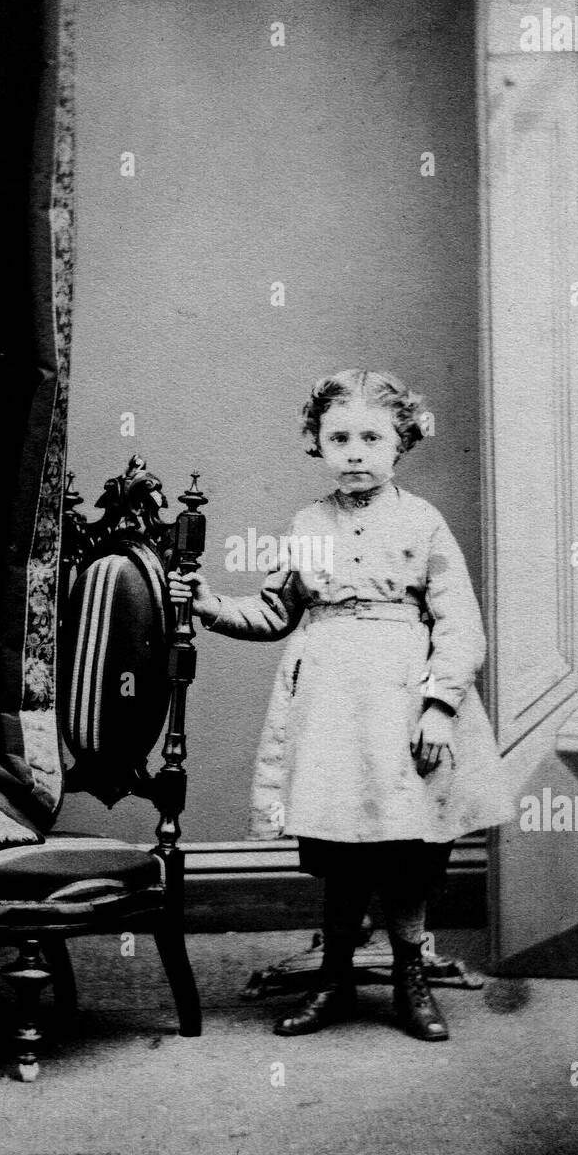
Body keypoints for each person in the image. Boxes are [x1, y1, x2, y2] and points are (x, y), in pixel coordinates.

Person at [169, 369, 514, 1040]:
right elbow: (275, 611)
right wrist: (211, 604)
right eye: (339, 437)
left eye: (370, 437)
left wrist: (440, 705)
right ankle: (335, 980)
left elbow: (460, 624)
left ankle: (411, 977)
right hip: (329, 708)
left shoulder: (423, 522)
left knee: (408, 847)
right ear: (318, 445)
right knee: (339, 846)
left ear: (400, 442)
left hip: (402, 703)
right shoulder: (306, 523)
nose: (354, 451)